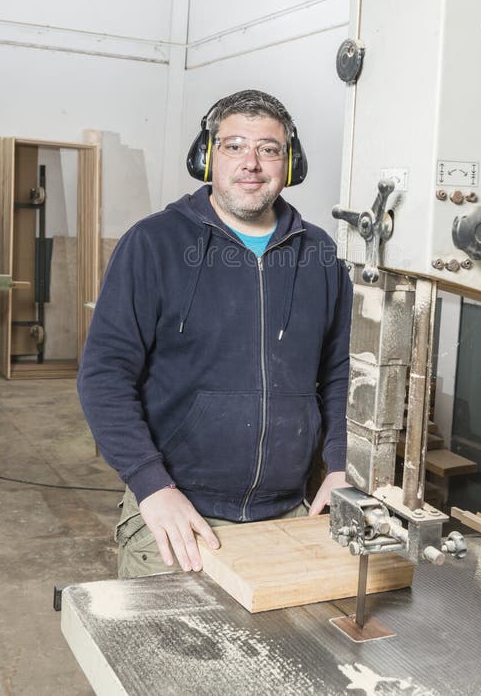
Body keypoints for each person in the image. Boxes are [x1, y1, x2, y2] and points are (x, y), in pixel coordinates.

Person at [78, 89, 352, 578]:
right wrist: (151, 486)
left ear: (290, 163)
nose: (251, 163)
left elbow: (338, 373)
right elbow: (104, 376)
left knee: (286, 652)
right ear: (208, 157)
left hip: (291, 513)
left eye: (268, 149)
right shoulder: (153, 243)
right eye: (233, 146)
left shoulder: (320, 254)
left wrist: (339, 465)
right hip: (176, 515)